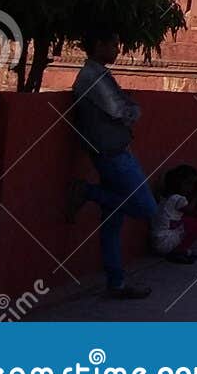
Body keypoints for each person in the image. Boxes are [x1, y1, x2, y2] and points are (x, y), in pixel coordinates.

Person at [65, 33, 158, 300]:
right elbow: (122, 110)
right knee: (145, 207)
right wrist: (133, 111)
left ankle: (116, 283)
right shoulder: (93, 77)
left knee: (112, 223)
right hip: (113, 154)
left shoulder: (98, 74)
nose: (117, 49)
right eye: (113, 44)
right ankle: (87, 192)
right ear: (98, 44)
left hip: (108, 150)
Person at [151, 164, 197, 264]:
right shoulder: (178, 199)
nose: (191, 188)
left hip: (158, 241)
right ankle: (179, 251)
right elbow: (195, 213)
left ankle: (179, 250)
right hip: (165, 243)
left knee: (186, 220)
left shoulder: (166, 197)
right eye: (189, 184)